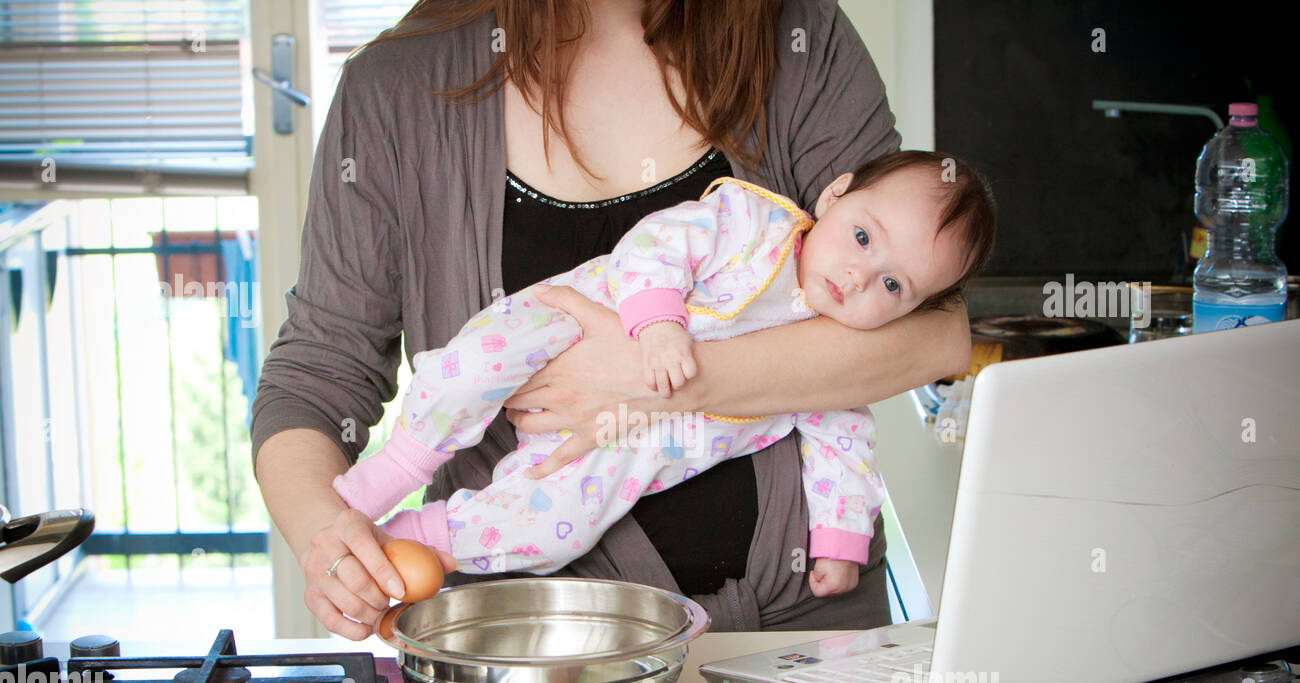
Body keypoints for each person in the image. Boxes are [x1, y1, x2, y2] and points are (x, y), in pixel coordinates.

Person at [250, 0, 975, 641]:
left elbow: (933, 333)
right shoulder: (396, 90)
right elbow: (318, 373)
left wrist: (665, 381)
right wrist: (330, 535)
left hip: (800, 635)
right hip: (531, 646)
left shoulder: (796, 36)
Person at [330, 151, 993, 598]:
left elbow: (846, 452)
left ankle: (423, 539)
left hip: (619, 454)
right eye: (861, 237)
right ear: (836, 193)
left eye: (892, 284)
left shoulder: (834, 363)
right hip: (576, 325)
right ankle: (395, 470)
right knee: (473, 364)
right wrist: (658, 323)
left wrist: (841, 542)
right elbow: (656, 243)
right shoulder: (751, 222)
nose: (857, 276)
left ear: (909, 309)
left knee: (553, 526)